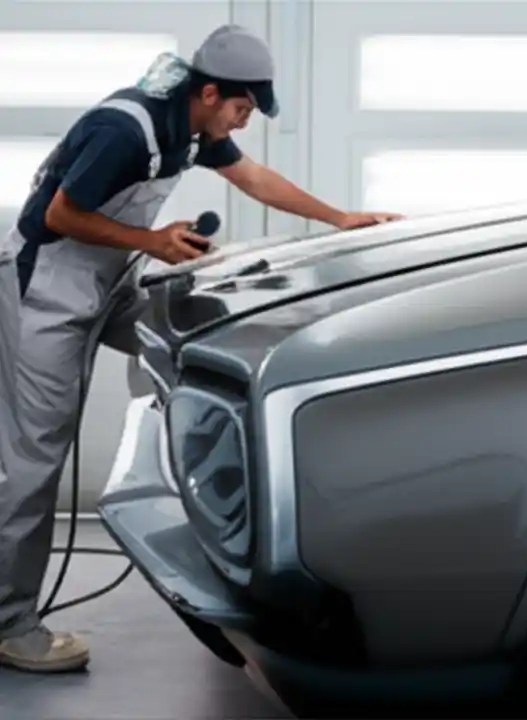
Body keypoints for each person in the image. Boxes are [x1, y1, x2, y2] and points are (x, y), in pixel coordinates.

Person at [0, 24, 401, 672]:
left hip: (106, 285)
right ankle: (10, 625)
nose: (241, 123)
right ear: (210, 91)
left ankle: (221, 532)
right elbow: (59, 216)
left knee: (193, 342)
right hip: (46, 293)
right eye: (241, 109)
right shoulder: (125, 129)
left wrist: (342, 218)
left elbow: (256, 178)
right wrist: (153, 240)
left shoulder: (191, 129)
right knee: (34, 464)